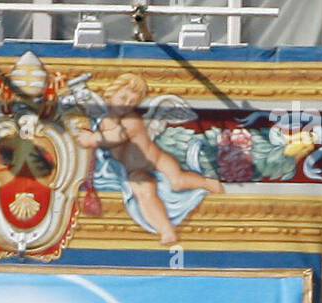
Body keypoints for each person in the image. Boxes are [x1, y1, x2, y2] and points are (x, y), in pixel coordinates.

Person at [75, 73, 223, 246]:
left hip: (158, 161)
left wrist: (92, 139)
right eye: (123, 97)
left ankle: (207, 183)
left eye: (132, 102)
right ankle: (166, 229)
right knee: (144, 192)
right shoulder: (102, 120)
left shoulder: (132, 120)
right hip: (135, 170)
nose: (126, 104)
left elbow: (116, 136)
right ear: (110, 93)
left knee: (178, 182)